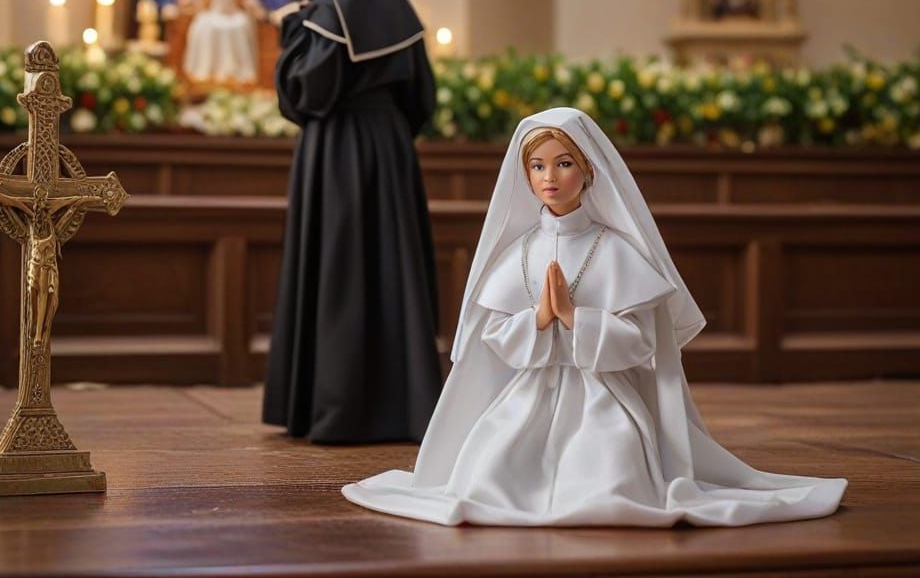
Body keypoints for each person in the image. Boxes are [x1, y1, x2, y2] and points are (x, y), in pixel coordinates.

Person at [343, 107, 847, 525]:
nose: (549, 177)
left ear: (588, 171)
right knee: (491, 467)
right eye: (537, 166)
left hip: (602, 398)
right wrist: (538, 319)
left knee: (611, 467)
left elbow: (641, 342)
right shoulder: (515, 254)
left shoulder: (617, 251)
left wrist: (575, 318)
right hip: (527, 396)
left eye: (563, 163)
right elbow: (495, 337)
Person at [261, 0, 443, 443]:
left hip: (335, 151)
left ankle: (337, 408)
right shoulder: (399, 16)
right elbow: (422, 101)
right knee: (388, 266)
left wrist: (292, 29)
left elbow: (303, 95)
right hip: (389, 151)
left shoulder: (323, 20)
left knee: (338, 267)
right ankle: (401, 405)